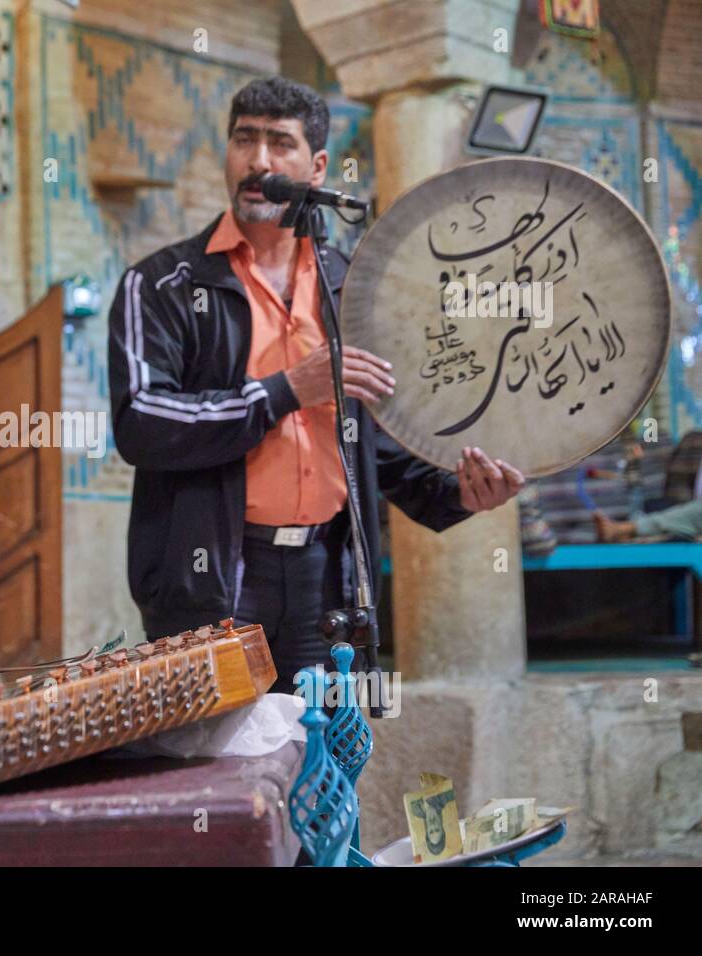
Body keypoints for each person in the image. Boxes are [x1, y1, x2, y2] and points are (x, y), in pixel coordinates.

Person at [108, 76, 525, 693]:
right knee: (218, 773)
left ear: (318, 166)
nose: (259, 161)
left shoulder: (355, 286)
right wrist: (283, 391)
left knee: (326, 766)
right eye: (244, 140)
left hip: (328, 581)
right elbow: (144, 423)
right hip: (215, 580)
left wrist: (458, 494)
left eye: (280, 143)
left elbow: (375, 446)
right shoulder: (164, 284)